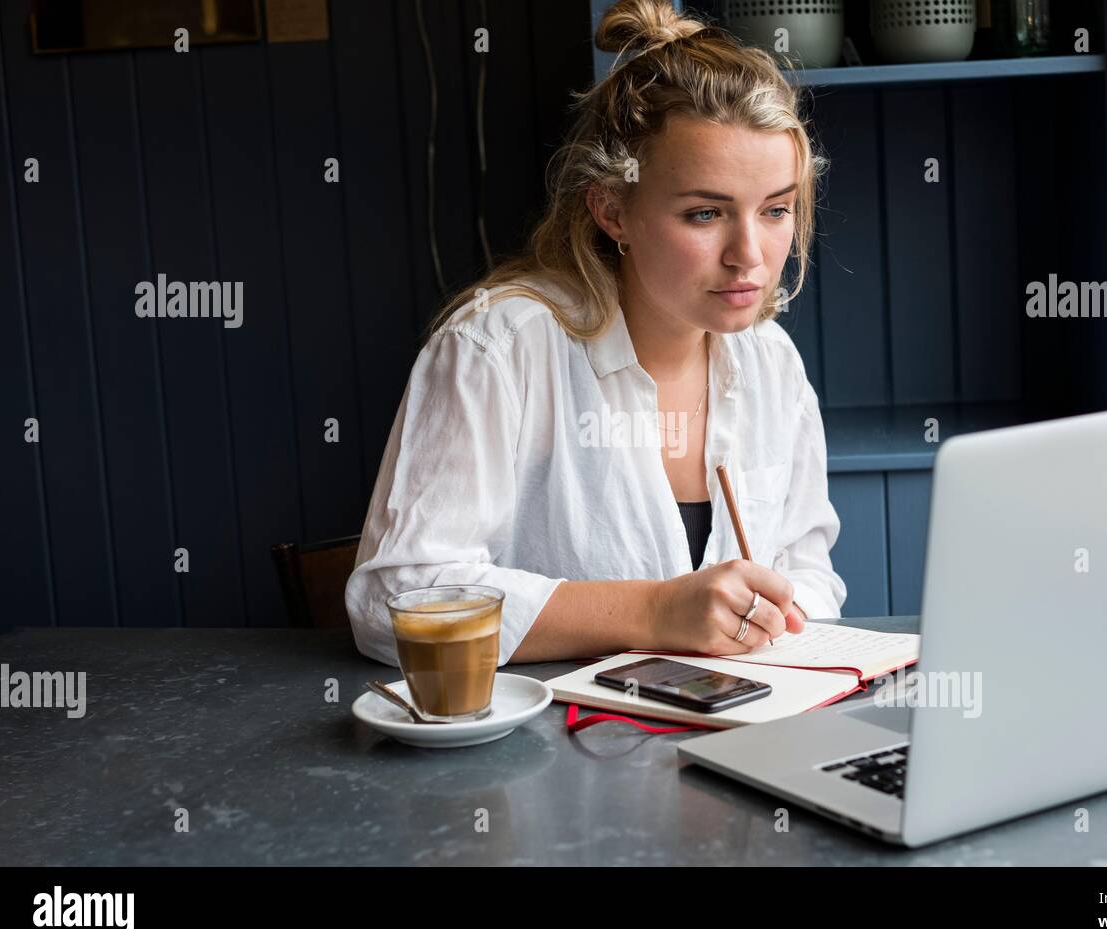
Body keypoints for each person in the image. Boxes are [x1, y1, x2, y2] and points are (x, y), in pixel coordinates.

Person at [345, 0, 846, 667]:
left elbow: (811, 576)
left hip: (732, 742)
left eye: (776, 209)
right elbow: (393, 601)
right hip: (550, 755)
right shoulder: (497, 350)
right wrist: (653, 611)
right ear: (613, 210)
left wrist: (775, 617)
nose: (750, 255)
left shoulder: (771, 363)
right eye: (705, 213)